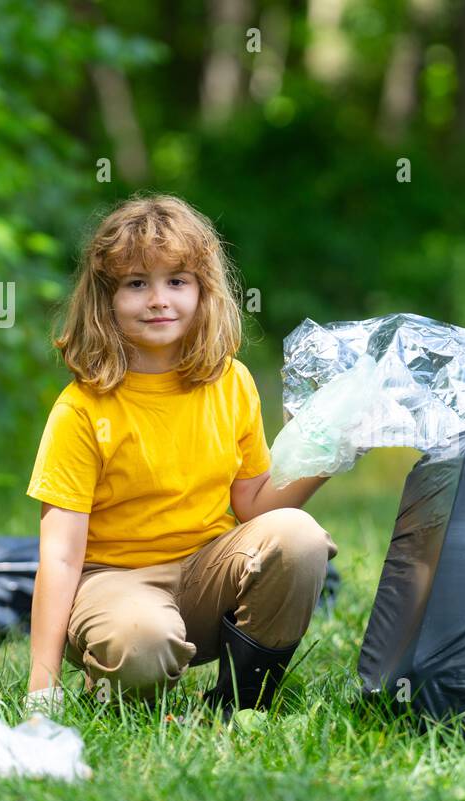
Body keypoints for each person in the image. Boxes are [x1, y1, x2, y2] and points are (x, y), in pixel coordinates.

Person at [23, 194, 340, 719]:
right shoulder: (80, 409)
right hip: (113, 585)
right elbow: (59, 556)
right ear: (106, 299)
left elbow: (255, 507)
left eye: (177, 281)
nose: (158, 299)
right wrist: (42, 684)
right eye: (136, 283)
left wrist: (328, 452)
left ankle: (241, 703)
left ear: (203, 291)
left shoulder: (231, 382)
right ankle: (116, 681)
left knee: (298, 535)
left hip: (205, 574)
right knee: (141, 643)